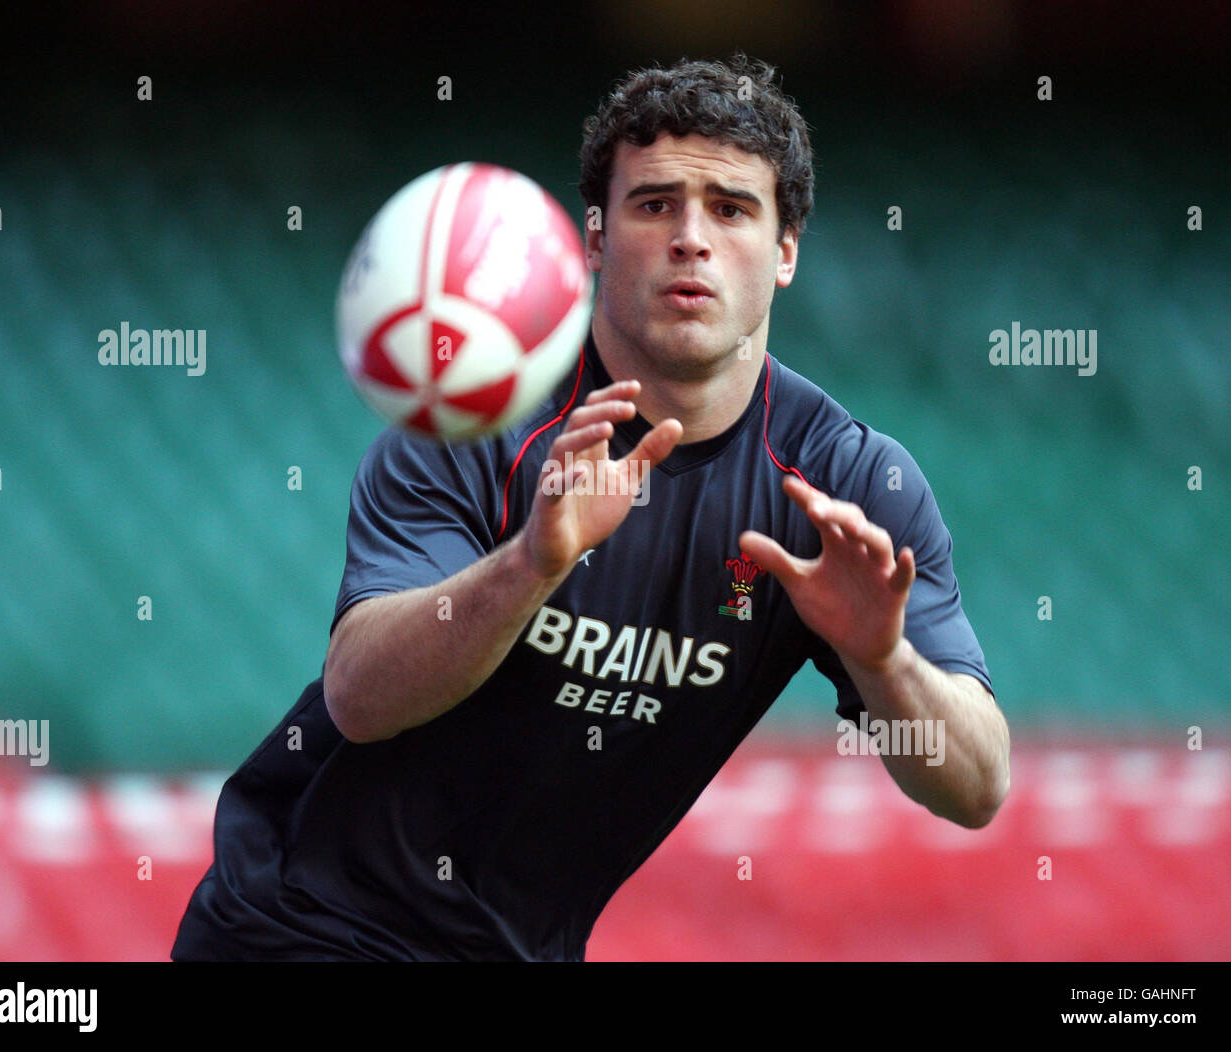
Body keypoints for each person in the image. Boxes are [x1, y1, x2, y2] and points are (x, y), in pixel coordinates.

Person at [171, 53, 1010, 962]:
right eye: (654, 204)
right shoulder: (474, 421)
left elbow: (976, 786)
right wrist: (531, 561)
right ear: (597, 239)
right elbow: (359, 696)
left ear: (787, 250)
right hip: (304, 924)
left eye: (731, 209)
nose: (692, 237)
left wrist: (882, 658)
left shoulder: (843, 482)